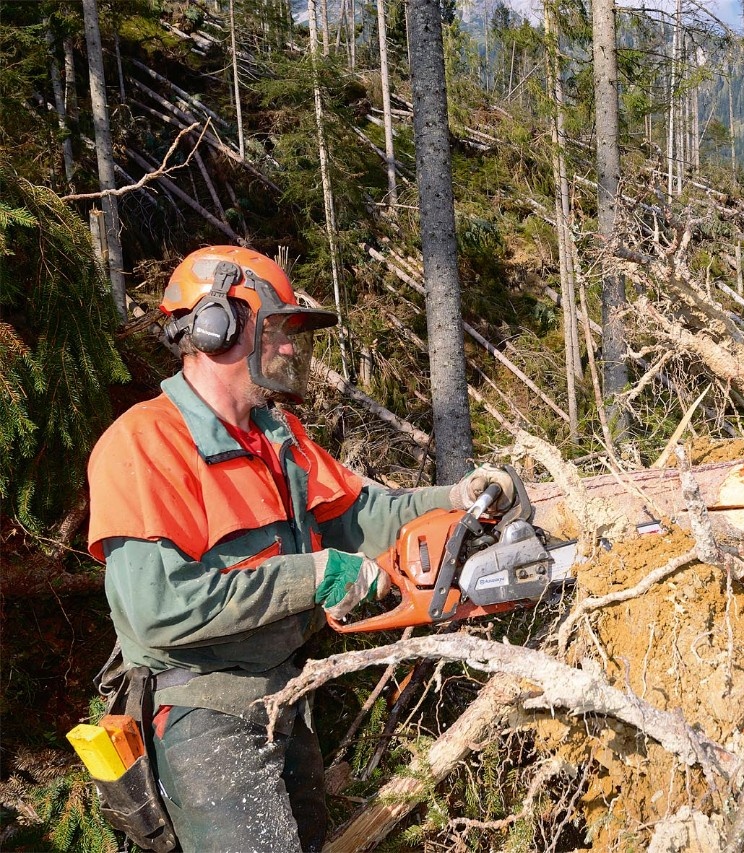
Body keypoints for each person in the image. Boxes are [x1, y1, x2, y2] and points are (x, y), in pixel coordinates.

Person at [86, 246, 515, 852]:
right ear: (217, 327)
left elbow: (362, 517)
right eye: (279, 329)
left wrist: (460, 495)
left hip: (283, 699)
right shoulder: (145, 444)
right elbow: (155, 610)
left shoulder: (278, 436)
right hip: (202, 715)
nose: (290, 348)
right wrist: (314, 576)